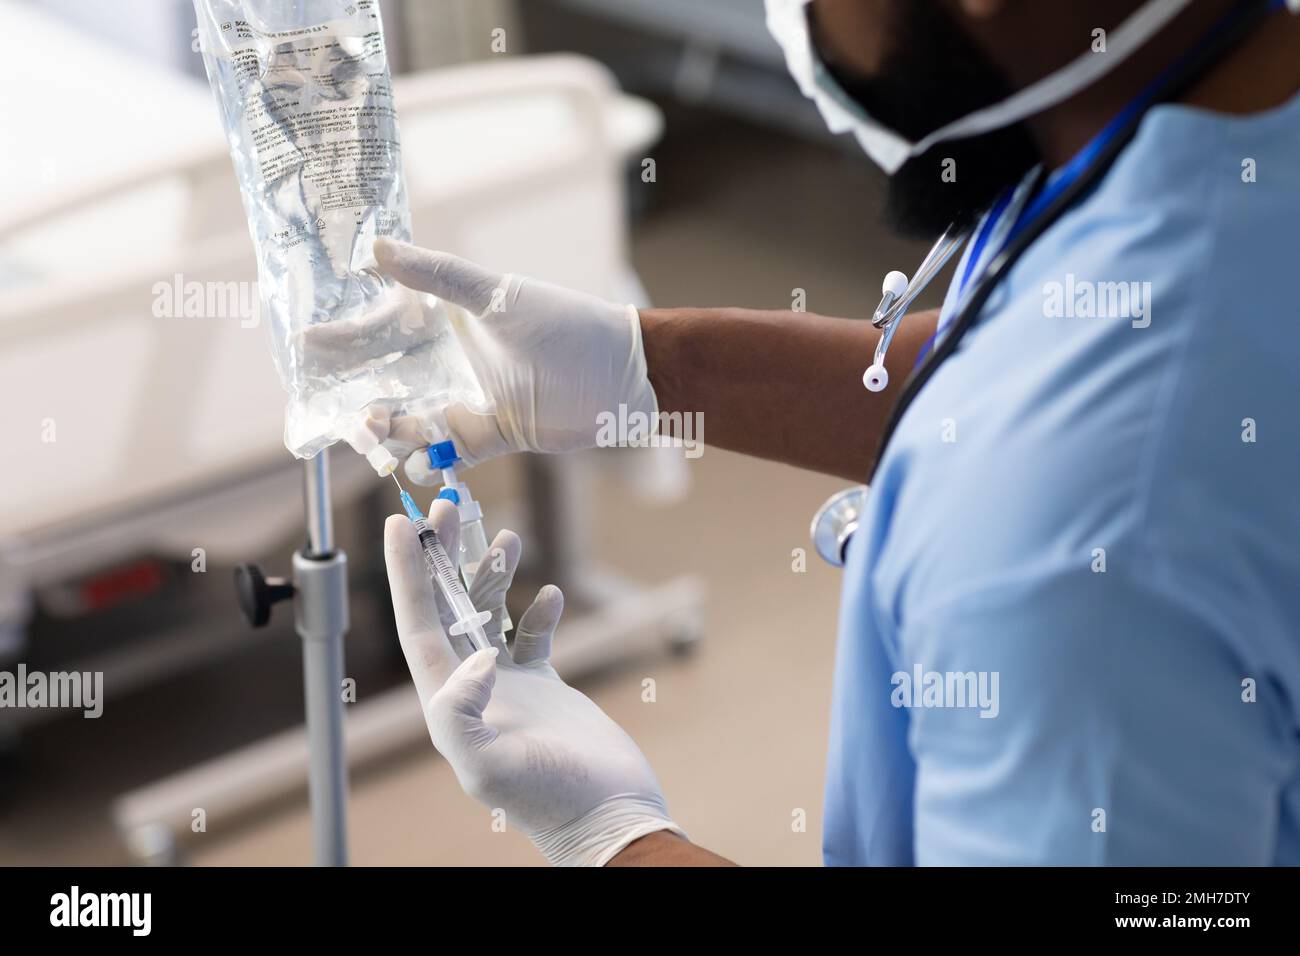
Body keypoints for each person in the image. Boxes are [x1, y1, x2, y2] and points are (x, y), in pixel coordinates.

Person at [363, 0, 1300, 865]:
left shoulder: (1082, 544)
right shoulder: (1227, 110)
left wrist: (608, 834)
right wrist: (649, 367)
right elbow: (1034, 358)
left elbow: (1077, 428)